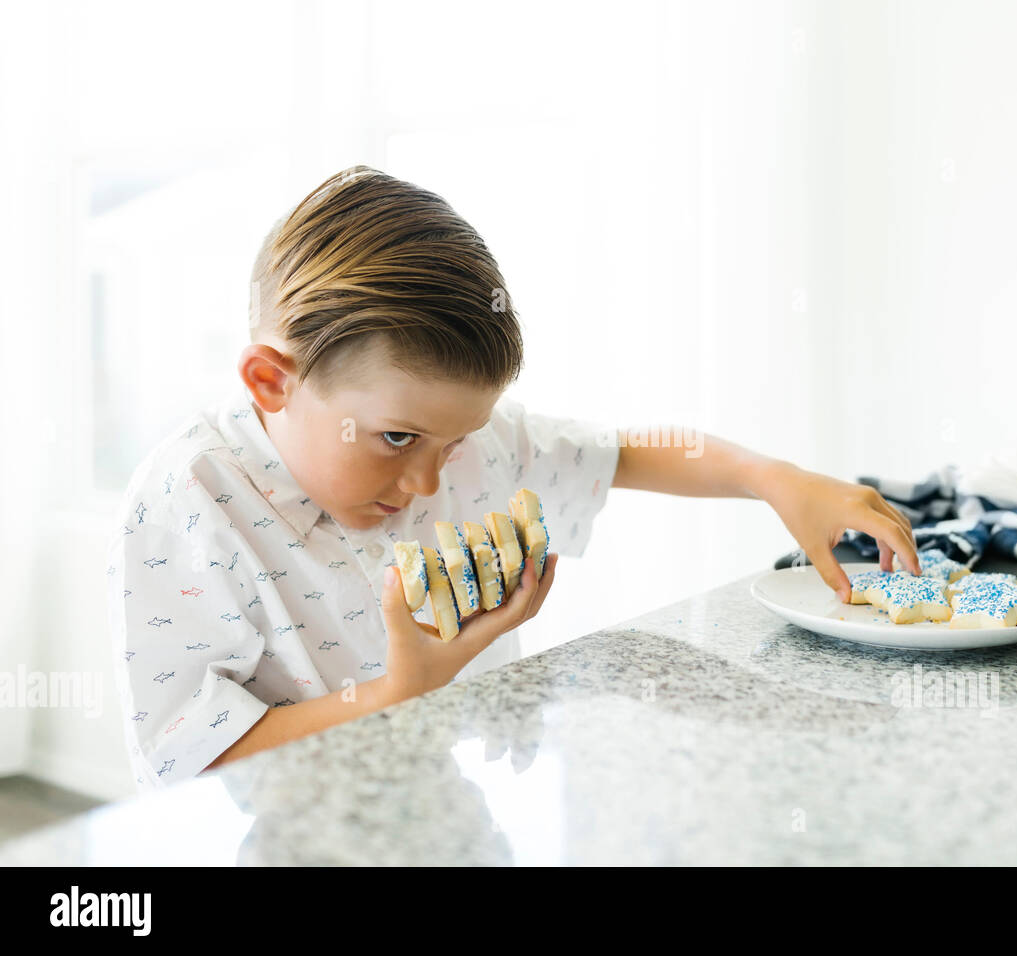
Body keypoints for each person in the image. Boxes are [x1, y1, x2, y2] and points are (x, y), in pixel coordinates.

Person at [106, 165, 918, 791]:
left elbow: (630, 451)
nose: (429, 481)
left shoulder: (462, 444)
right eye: (396, 437)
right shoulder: (188, 501)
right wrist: (400, 692)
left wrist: (772, 477)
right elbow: (192, 760)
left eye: (457, 440)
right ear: (271, 381)